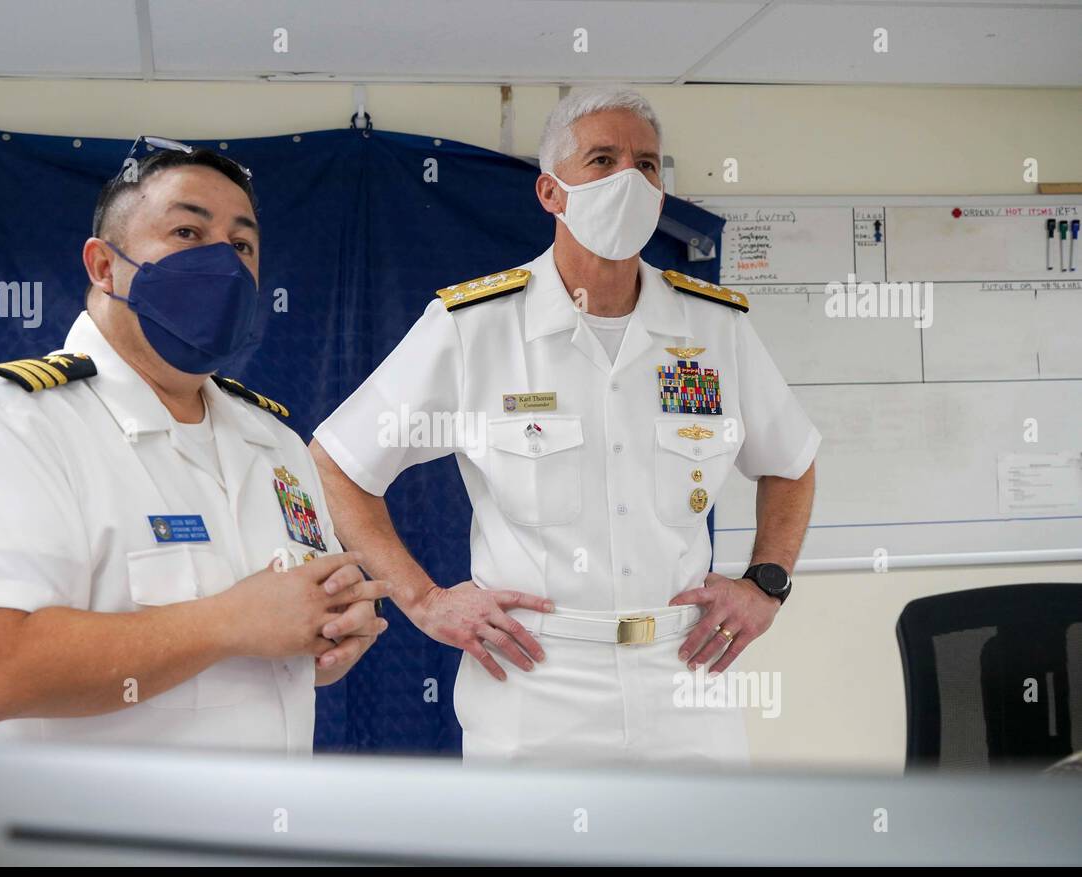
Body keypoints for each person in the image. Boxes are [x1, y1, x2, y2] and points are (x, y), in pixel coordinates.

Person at [310, 88, 818, 765]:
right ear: (551, 193)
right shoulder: (478, 328)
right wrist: (423, 599)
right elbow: (337, 462)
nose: (628, 180)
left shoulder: (713, 328)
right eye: (602, 160)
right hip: (535, 678)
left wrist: (767, 584)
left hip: (686, 674)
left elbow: (792, 461)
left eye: (646, 165)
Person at [0, 138, 387, 752]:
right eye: (187, 232)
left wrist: (328, 640)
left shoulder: (277, 444)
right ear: (104, 266)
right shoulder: (16, 427)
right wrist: (231, 621)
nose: (224, 262)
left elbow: (280, 640)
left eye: (242, 245)